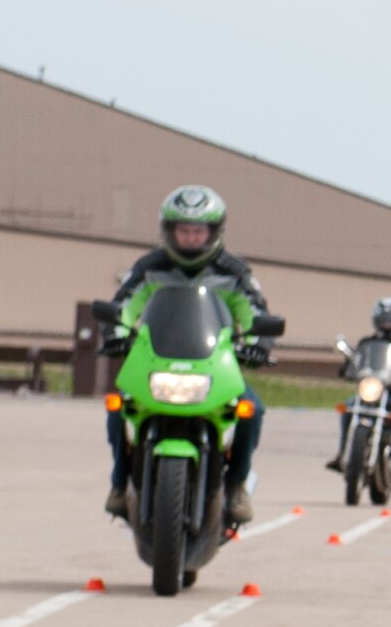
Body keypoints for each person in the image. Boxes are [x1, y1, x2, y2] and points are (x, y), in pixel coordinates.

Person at [103, 185, 271, 525]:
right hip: (157, 362)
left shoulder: (234, 272)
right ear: (169, 231)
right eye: (184, 230)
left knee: (252, 412)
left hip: (213, 364)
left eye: (198, 231)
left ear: (214, 231)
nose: (191, 238)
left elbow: (254, 311)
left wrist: (258, 341)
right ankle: (120, 483)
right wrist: (117, 334)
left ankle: (237, 484)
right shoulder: (149, 268)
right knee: (119, 407)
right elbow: (125, 305)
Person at [326, 297, 391, 473]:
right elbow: (356, 362)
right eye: (383, 320)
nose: (386, 324)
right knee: (347, 409)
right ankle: (343, 453)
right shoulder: (366, 343)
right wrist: (348, 367)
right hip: (369, 392)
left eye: (390, 320)